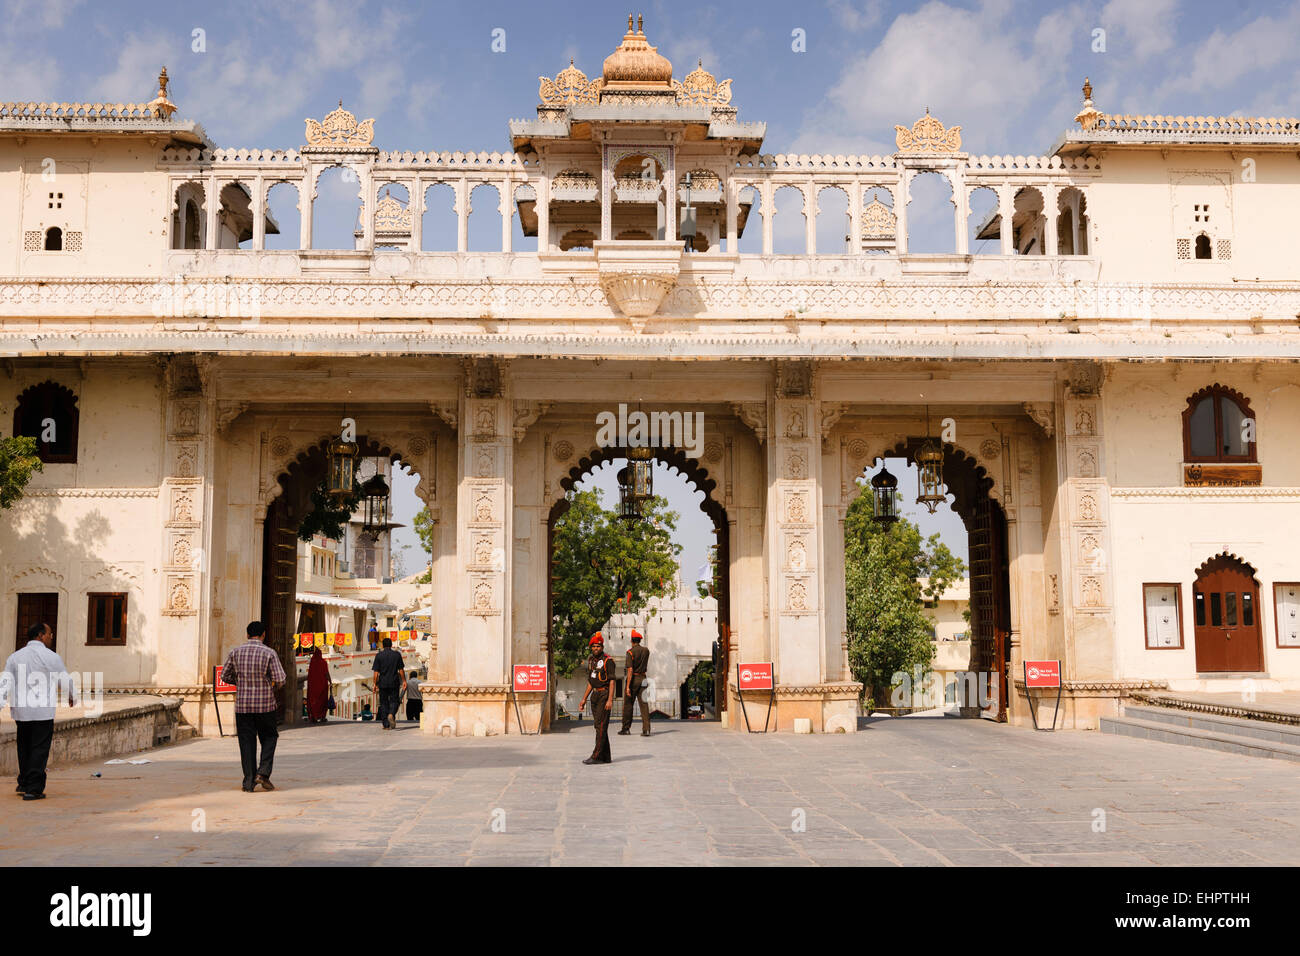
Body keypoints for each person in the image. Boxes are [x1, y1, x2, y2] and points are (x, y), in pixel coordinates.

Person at [3, 622, 75, 800]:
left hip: (22, 711)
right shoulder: (51, 657)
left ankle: (24, 782)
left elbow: (5, 683)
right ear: (41, 635)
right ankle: (33, 788)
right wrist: (72, 695)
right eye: (50, 634)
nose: (52, 637)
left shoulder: (14, 657)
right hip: (42, 711)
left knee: (24, 746)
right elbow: (64, 679)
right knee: (39, 748)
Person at [220, 621, 286, 793]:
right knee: (269, 737)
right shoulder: (269, 653)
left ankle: (248, 781)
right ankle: (263, 773)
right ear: (263, 635)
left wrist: (240, 682)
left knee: (246, 742)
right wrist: (271, 687)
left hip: (243, 706)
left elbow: (224, 675)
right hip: (265, 705)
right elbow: (280, 679)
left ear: (247, 634)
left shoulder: (235, 652)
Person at [578, 632, 614, 765]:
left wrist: (610, 700)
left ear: (602, 646)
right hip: (595, 695)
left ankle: (597, 755)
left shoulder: (608, 661)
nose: (596, 648)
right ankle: (606, 756)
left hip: (604, 695)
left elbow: (611, 681)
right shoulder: (591, 660)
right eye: (593, 646)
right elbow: (591, 682)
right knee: (599, 726)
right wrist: (583, 699)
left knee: (601, 726)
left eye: (598, 646)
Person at [618, 629, 651, 737]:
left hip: (634, 680)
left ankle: (626, 728)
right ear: (639, 640)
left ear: (632, 641)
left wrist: (627, 686)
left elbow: (630, 670)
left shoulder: (630, 652)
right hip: (644, 678)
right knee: (644, 705)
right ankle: (646, 730)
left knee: (628, 705)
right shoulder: (646, 651)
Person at [371, 638, 406, 730]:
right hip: (394, 682)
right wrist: (404, 681)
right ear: (391, 645)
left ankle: (386, 725)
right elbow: (401, 670)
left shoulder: (379, 656)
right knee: (394, 701)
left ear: (382, 645)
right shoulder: (397, 655)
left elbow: (376, 673)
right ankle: (391, 714)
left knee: (383, 703)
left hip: (382, 683)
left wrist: (374, 684)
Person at [305, 645, 330, 724]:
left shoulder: (312, 663)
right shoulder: (323, 662)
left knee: (313, 701)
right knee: (322, 701)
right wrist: (330, 681)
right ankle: (322, 716)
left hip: (313, 686)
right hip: (322, 685)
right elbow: (326, 673)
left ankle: (314, 717)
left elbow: (310, 674)